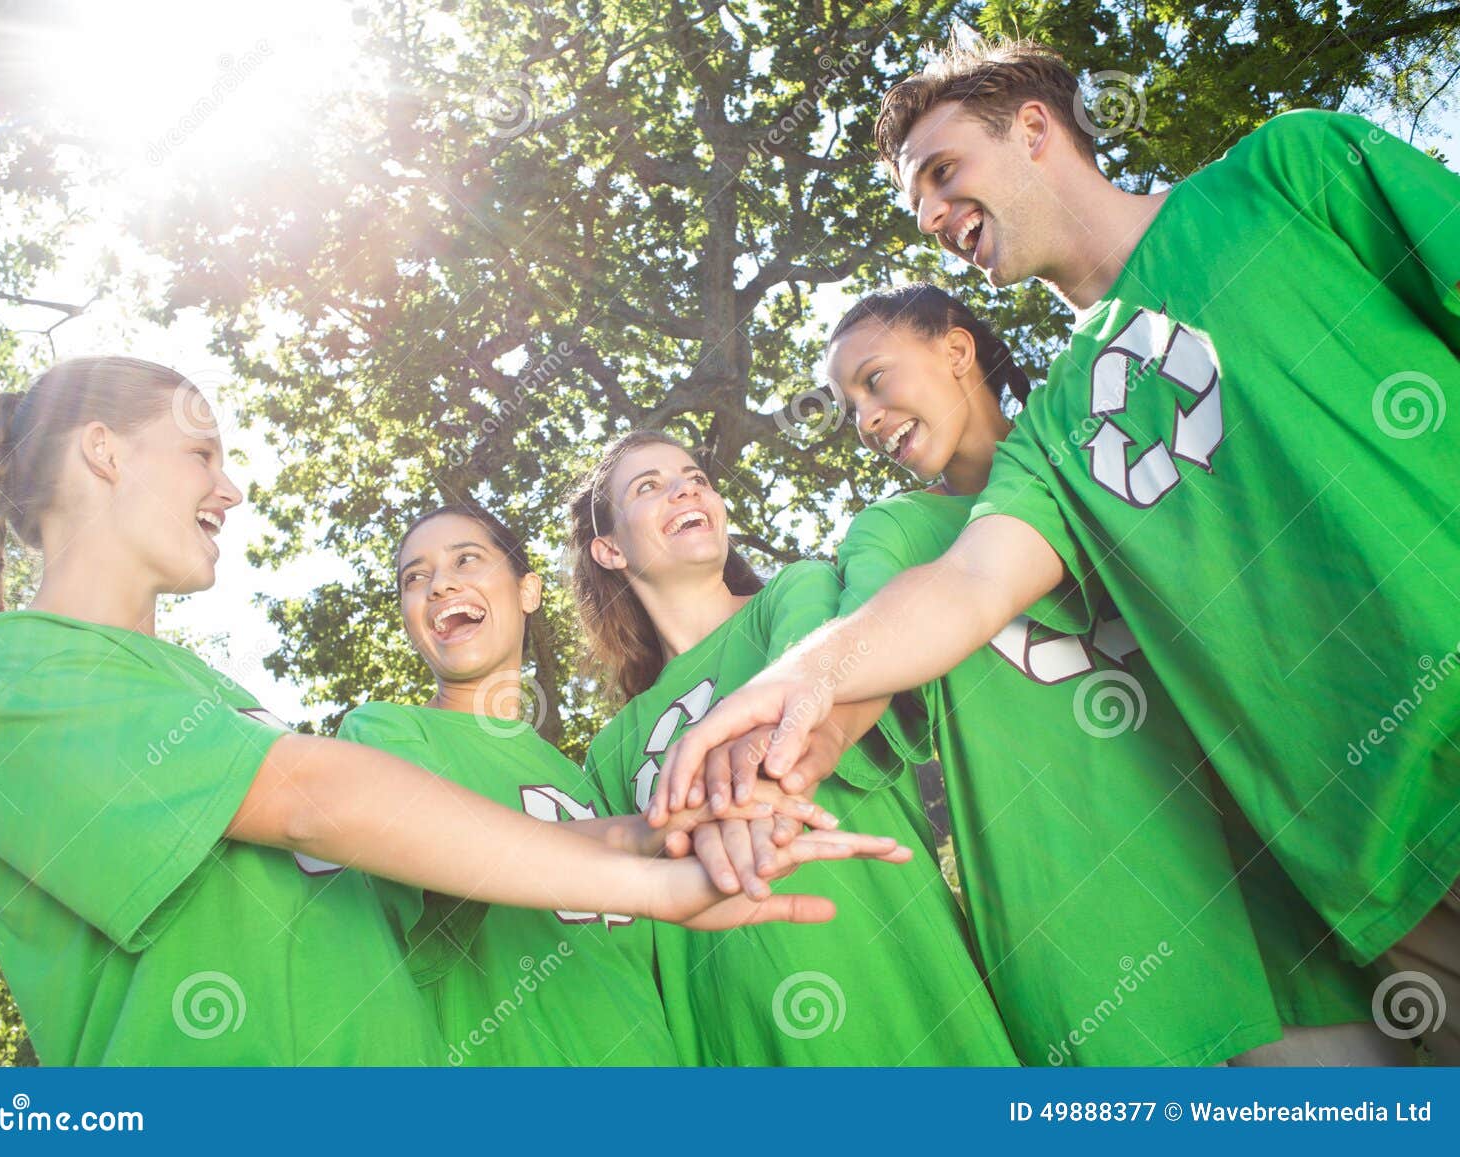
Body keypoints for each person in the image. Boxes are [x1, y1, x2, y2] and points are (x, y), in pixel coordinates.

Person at [653, 38, 1460, 1061]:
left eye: (943, 173)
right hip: (1385, 861)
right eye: (921, 210)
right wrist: (808, 671)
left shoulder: (1285, 175)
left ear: (1033, 127)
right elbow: (969, 581)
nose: (939, 219)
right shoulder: (1055, 431)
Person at [0, 357, 906, 1066]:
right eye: (200, 453)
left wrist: (644, 835)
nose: (229, 485)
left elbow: (416, 872)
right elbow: (310, 794)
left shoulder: (215, 703)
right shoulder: (13, 669)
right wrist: (657, 884)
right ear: (103, 450)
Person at [827, 282, 1398, 1066]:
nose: (864, 419)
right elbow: (862, 647)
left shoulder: (1100, 436)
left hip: (1276, 887)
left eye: (873, 380)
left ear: (956, 350)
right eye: (848, 405)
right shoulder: (894, 533)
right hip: (1106, 954)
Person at [338, 503, 848, 1065]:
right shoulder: (389, 731)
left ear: (528, 591)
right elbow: (430, 847)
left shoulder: (583, 783)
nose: (439, 584)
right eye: (416, 577)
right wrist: (639, 833)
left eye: (467, 559)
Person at [572, 430, 1018, 1066]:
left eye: (694, 475)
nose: (686, 487)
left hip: (888, 988)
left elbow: (799, 709)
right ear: (610, 548)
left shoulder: (797, 594)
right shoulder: (611, 748)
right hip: (728, 1035)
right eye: (649, 486)